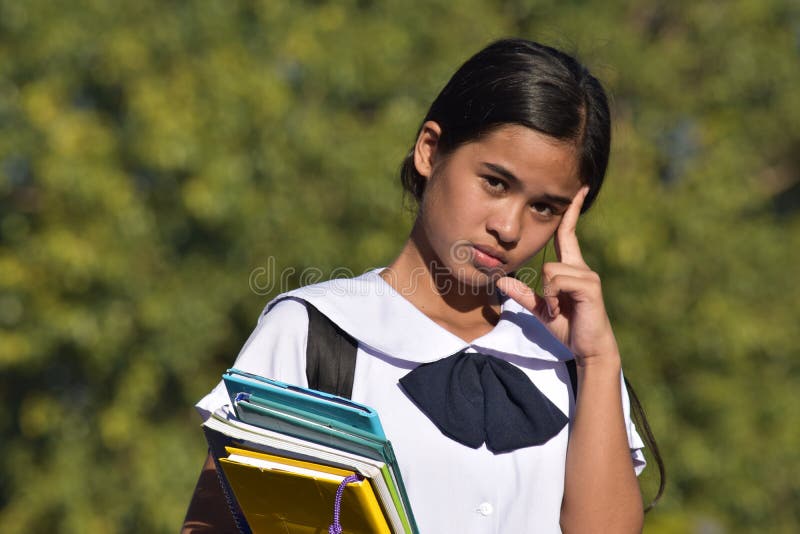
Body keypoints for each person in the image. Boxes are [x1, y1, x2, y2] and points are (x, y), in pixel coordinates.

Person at [184, 38, 651, 533]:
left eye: (544, 207)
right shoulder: (315, 333)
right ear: (430, 151)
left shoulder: (574, 360)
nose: (510, 227)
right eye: (495, 182)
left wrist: (599, 361)